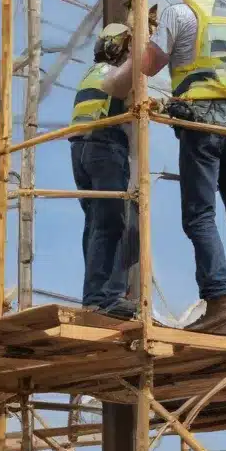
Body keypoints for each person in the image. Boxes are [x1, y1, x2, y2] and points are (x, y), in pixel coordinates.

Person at [105, 0, 226, 336]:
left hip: (202, 119)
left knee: (199, 214)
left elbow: (146, 66)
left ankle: (219, 304)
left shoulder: (181, 12)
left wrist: (139, 34)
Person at [70, 22, 135, 318]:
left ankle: (93, 297)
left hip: (80, 150)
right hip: (104, 146)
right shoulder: (113, 74)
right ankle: (105, 299)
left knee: (96, 224)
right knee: (112, 223)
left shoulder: (91, 74)